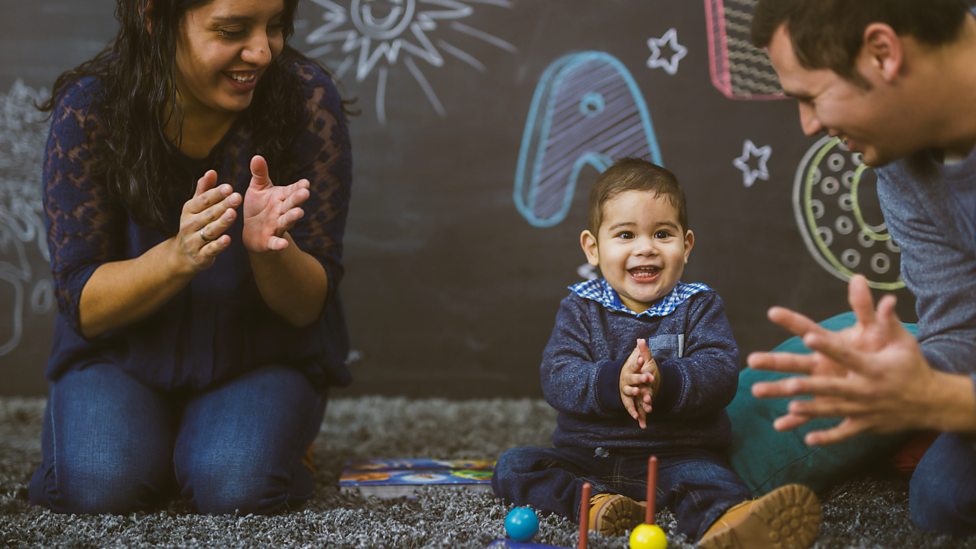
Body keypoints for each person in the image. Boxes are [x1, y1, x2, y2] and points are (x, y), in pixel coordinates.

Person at [29, 0, 353, 515]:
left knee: (235, 485)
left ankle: (238, 442)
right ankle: (156, 444)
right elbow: (84, 305)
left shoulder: (306, 100)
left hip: (259, 355)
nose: (262, 52)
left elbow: (306, 307)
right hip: (120, 356)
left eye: (276, 27)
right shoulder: (90, 109)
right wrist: (178, 257)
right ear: (155, 19)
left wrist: (271, 251)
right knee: (96, 483)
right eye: (231, 30)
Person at [491, 158, 821, 548]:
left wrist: (665, 380)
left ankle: (732, 522)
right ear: (593, 249)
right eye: (626, 235)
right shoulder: (580, 308)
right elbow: (558, 375)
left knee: (713, 481)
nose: (645, 248)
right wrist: (613, 381)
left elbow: (720, 372)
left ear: (687, 244)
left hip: (677, 455)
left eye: (662, 234)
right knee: (514, 466)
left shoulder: (697, 306)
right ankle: (596, 506)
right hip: (589, 456)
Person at [747, 0, 976, 536]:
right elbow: (962, 326)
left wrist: (944, 398)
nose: (808, 125)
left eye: (812, 97)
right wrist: (900, 376)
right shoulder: (899, 161)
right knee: (941, 495)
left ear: (882, 52)